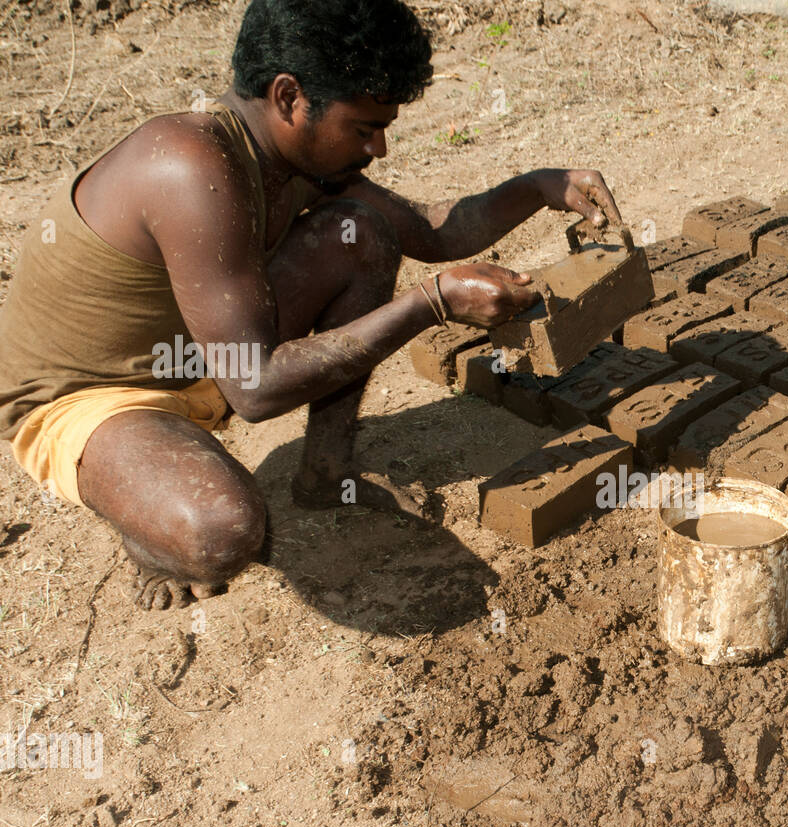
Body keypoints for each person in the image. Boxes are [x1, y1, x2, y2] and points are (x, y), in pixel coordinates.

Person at [0, 0, 624, 609]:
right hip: (87, 395)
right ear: (289, 97)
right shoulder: (186, 167)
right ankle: (148, 528)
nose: (378, 149)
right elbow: (255, 389)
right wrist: (431, 304)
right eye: (364, 129)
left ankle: (327, 474)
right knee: (222, 531)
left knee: (362, 233)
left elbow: (434, 232)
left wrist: (544, 185)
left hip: (204, 350)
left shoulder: (298, 158)